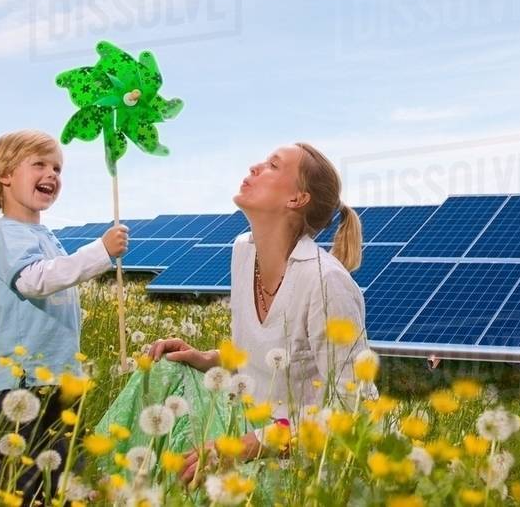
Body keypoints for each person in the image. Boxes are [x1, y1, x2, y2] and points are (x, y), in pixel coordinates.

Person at [96, 142, 374, 485]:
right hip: (242, 419)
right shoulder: (244, 251)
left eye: (273, 165)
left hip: (296, 452)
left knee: (210, 477)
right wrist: (208, 358)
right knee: (165, 369)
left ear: (297, 199)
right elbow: (258, 359)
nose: (255, 167)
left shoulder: (326, 281)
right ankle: (109, 484)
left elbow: (354, 406)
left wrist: (245, 446)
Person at [0, 130, 128, 505]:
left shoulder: (43, 235)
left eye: (57, 168)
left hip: (59, 379)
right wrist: (99, 252)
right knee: (14, 486)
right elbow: (33, 280)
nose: (52, 174)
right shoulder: (8, 235)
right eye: (39, 164)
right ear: (4, 175)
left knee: (62, 483)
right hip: (21, 381)